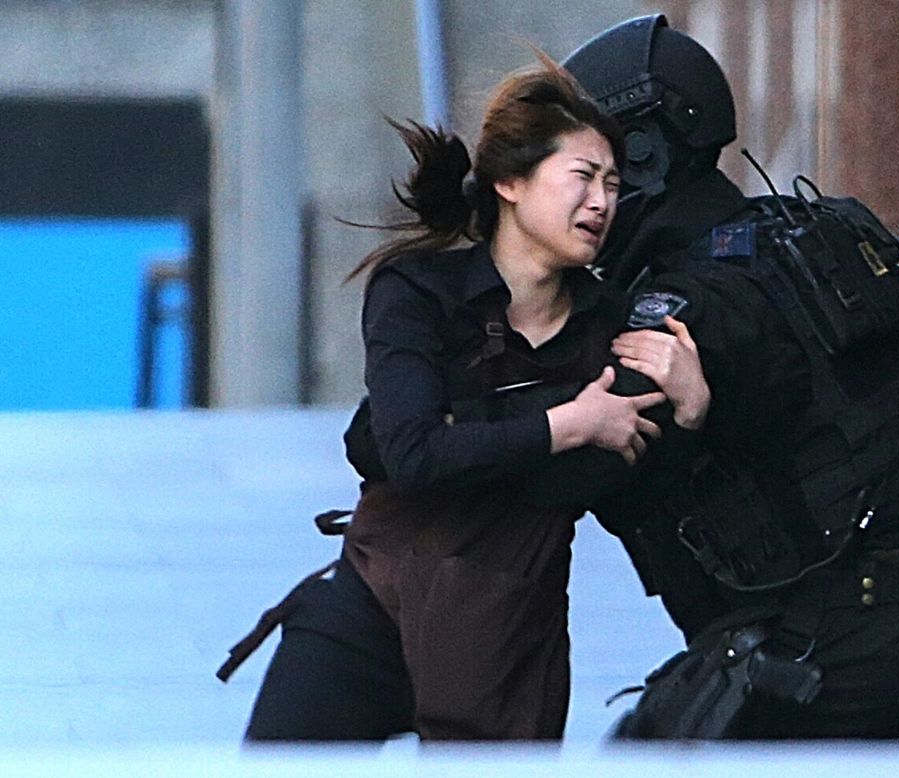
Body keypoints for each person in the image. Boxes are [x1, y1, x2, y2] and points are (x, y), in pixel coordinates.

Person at [534, 15, 899, 739]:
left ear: (647, 155)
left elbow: (579, 463)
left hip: (831, 643)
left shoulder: (688, 304)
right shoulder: (823, 240)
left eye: (585, 166)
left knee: (645, 751)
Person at [218, 55, 711, 742]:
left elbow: (616, 485)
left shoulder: (612, 326)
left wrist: (688, 411)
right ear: (510, 181)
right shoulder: (419, 292)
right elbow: (412, 453)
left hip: (507, 644)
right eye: (582, 177)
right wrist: (569, 421)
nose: (602, 202)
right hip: (371, 610)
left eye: (612, 184)